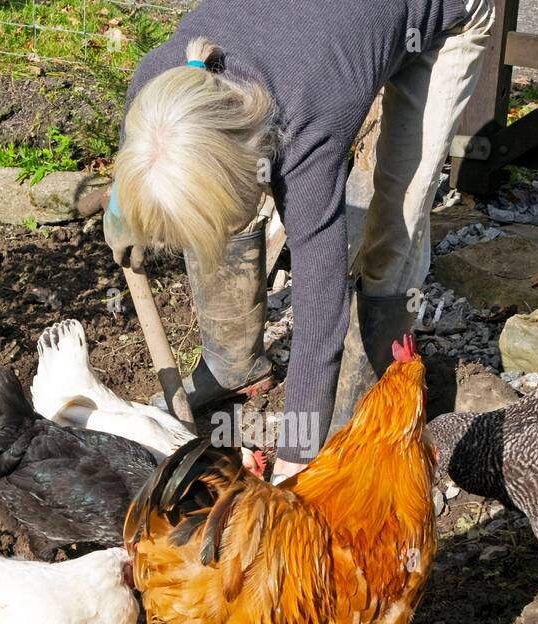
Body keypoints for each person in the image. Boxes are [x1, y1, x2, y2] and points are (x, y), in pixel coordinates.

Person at [105, 0, 495, 480]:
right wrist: (123, 214)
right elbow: (146, 160)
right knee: (212, 205)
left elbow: (319, 295)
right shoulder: (158, 84)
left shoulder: (305, 129)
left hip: (441, 20)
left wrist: (298, 448)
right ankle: (235, 366)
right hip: (327, 34)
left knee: (399, 209)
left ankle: (361, 407)